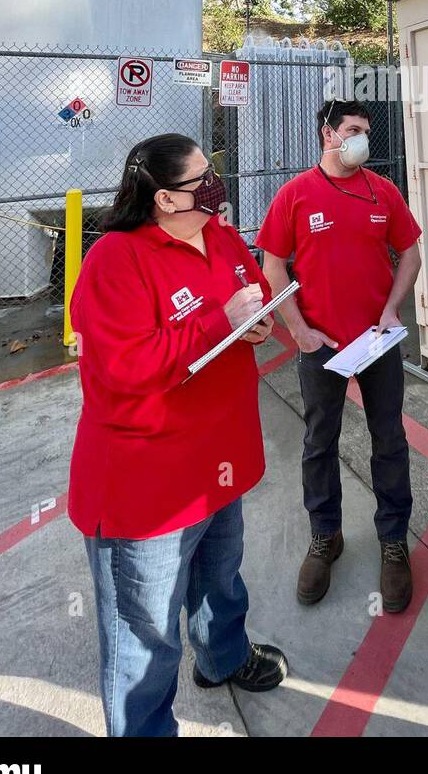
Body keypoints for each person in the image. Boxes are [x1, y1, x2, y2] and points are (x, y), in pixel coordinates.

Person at [67, 134, 288, 737]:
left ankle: (223, 657)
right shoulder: (116, 260)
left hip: (219, 462)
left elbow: (251, 289)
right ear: (164, 198)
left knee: (221, 577)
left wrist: (257, 319)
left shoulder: (216, 233)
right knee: (145, 633)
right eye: (201, 179)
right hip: (150, 486)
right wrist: (222, 321)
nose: (215, 186)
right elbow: (122, 369)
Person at [257, 99, 422, 612]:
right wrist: (300, 331)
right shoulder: (296, 195)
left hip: (376, 341)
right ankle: (325, 535)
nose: (361, 140)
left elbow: (410, 254)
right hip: (322, 347)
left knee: (389, 439)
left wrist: (394, 310)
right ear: (327, 134)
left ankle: (394, 541)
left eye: (365, 131)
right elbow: (273, 268)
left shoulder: (383, 191)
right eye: (352, 130)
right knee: (318, 441)